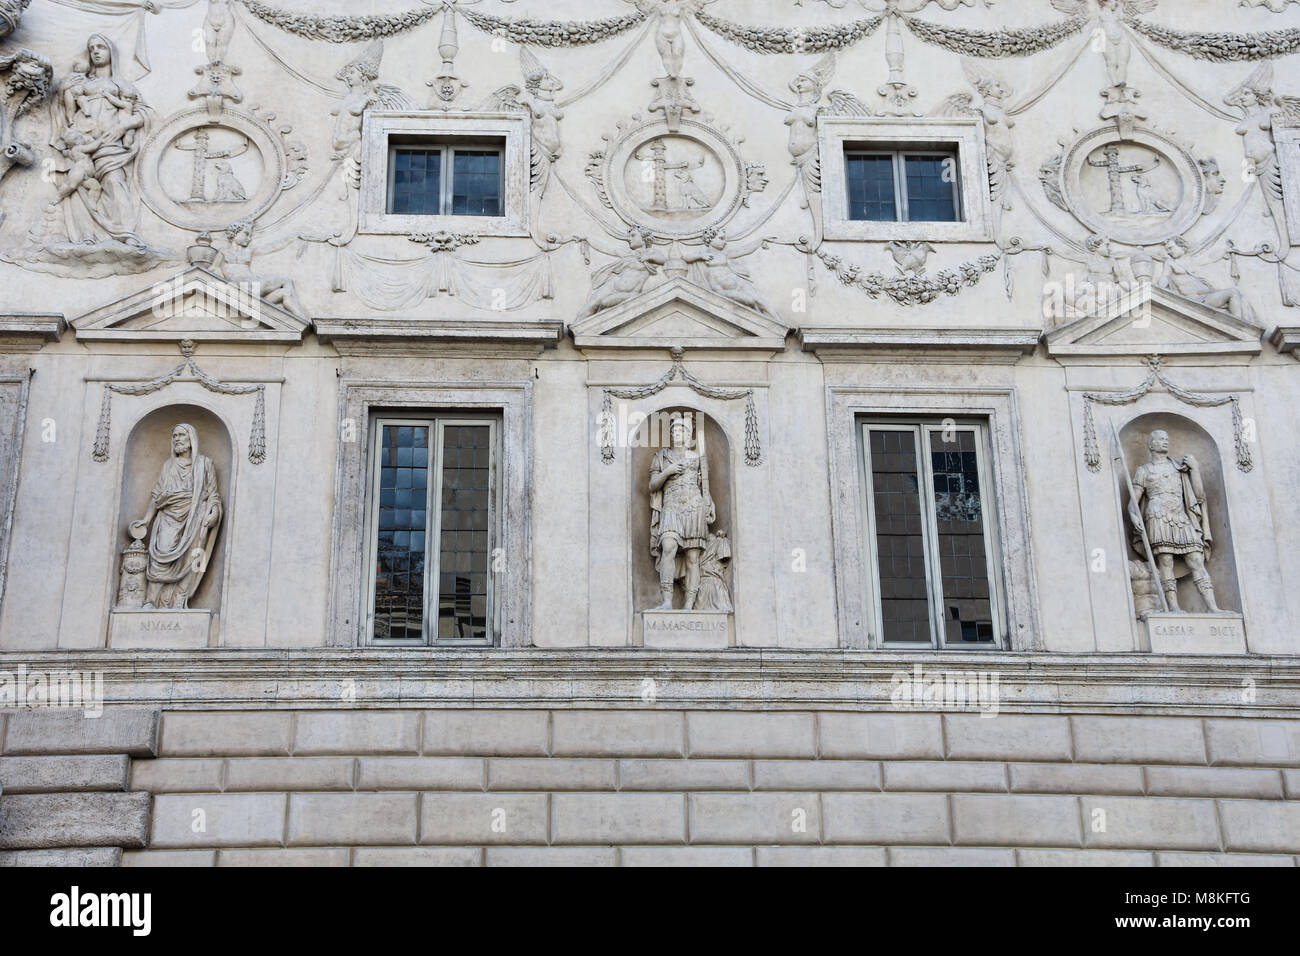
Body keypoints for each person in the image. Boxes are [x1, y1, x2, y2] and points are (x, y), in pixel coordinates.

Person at [129, 424, 222, 610]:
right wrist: (147, 520)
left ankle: (181, 599)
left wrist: (214, 511)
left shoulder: (205, 464)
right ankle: (151, 601)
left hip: (196, 517)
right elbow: (157, 495)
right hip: (168, 518)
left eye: (181, 435)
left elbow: (213, 494)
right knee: (160, 555)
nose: (177, 439)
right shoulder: (168, 466)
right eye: (175, 436)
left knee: (195, 556)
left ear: (191, 440)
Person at [1127, 429, 1220, 613]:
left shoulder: (1179, 468)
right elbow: (1133, 502)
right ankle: (1174, 607)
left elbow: (1199, 496)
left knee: (1196, 559)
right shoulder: (1143, 471)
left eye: (1166, 439)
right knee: (1166, 562)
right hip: (1157, 517)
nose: (1165, 441)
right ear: (1151, 445)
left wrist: (1195, 470)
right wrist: (1133, 515)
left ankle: (1213, 607)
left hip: (1180, 517)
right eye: (1160, 439)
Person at [649, 415, 715, 610]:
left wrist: (709, 503)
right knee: (668, 547)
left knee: (693, 558)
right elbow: (652, 486)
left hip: (694, 507)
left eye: (681, 431)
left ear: (687, 435)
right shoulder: (661, 457)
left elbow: (705, 488)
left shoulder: (697, 458)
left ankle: (689, 605)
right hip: (671, 507)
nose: (677, 433)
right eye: (674, 431)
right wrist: (667, 471)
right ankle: (667, 601)